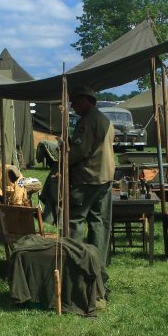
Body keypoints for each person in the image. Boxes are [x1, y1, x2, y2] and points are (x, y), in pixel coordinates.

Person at [66, 85, 116, 267]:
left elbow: (81, 149)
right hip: (105, 176)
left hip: (88, 177)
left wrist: (62, 163)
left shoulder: (87, 120)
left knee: (75, 219)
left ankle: (74, 259)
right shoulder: (105, 119)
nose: (73, 107)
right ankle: (98, 263)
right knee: (99, 222)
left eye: (75, 103)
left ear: (85, 101)